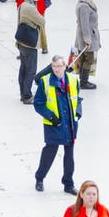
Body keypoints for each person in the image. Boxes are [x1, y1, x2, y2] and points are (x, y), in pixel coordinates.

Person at [33, 55, 82, 194]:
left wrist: (78, 113)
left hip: (70, 123)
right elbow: (38, 104)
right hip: (54, 124)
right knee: (50, 152)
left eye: (59, 66)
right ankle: (39, 178)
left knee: (69, 155)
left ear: (65, 66)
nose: (56, 69)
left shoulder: (73, 80)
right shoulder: (45, 81)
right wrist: (51, 117)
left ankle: (68, 183)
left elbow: (77, 99)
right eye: (54, 66)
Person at [16, 0, 45, 103]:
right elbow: (42, 21)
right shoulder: (31, 8)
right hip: (30, 43)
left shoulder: (22, 5)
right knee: (31, 70)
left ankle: (23, 93)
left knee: (23, 68)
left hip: (22, 41)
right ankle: (27, 96)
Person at [74, 0, 101, 90]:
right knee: (88, 58)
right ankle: (84, 82)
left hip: (88, 34)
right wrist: (87, 40)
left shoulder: (86, 3)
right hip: (86, 36)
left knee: (84, 57)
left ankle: (82, 79)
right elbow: (84, 24)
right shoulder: (84, 6)